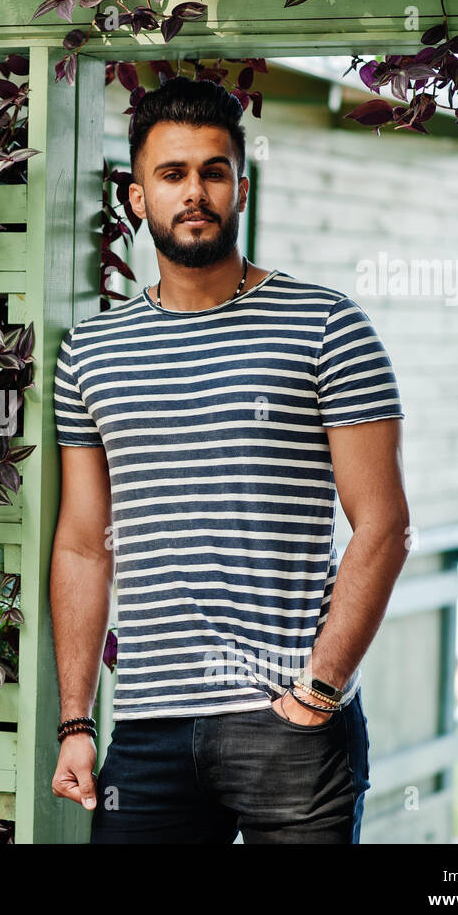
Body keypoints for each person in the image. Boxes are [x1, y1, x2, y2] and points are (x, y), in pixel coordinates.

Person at [49, 76, 411, 843]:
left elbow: (383, 525)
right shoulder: (90, 351)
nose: (195, 192)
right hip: (147, 728)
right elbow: (84, 545)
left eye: (214, 171)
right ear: (138, 196)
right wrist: (75, 719)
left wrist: (318, 690)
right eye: (171, 174)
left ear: (240, 188)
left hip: (290, 724)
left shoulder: (326, 326)